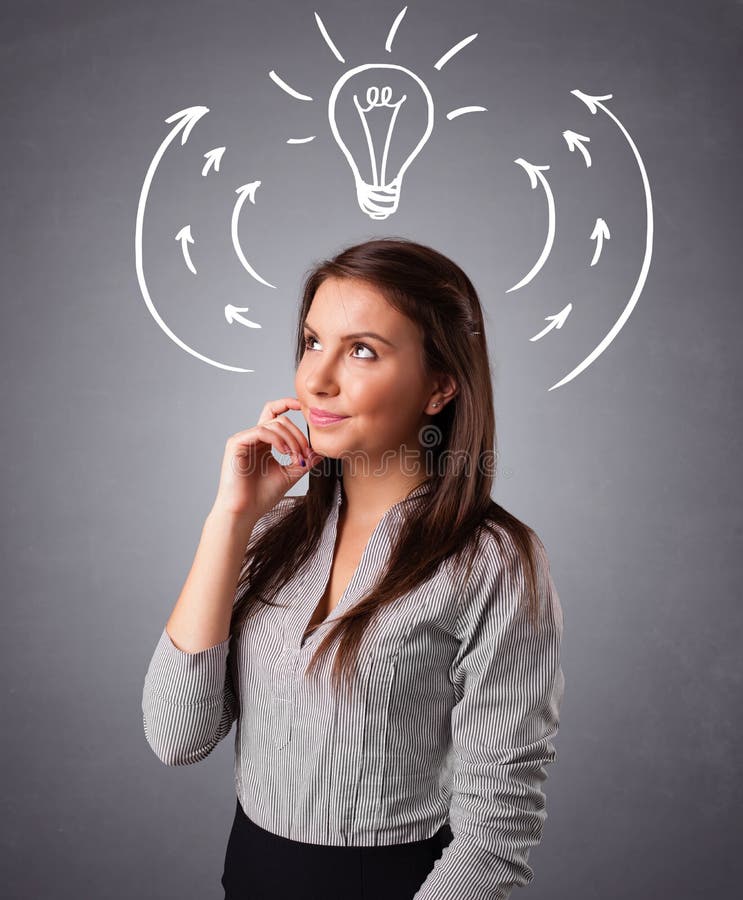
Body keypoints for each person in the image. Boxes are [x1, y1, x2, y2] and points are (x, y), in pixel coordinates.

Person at [141, 237, 565, 900]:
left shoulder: (492, 561)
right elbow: (177, 736)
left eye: (362, 349)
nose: (316, 378)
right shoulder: (273, 531)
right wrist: (230, 520)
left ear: (440, 386)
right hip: (248, 876)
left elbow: (492, 839)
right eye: (312, 341)